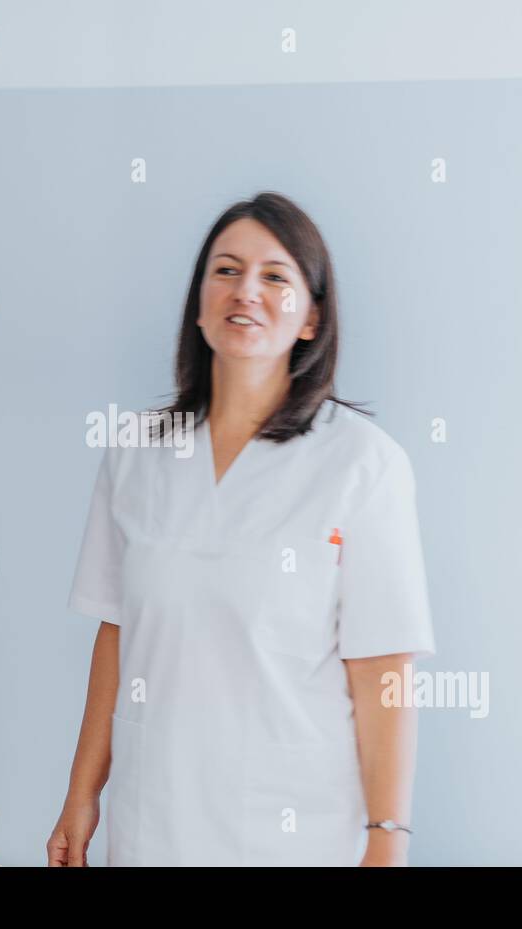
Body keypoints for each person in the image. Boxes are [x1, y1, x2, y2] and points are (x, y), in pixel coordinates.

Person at [48, 192, 437, 866]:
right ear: (199, 304)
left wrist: (387, 841)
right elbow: (116, 635)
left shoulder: (362, 465)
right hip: (152, 823)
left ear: (312, 317)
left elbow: (383, 673)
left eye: (275, 276)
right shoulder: (137, 451)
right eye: (225, 271)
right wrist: (81, 797)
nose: (246, 290)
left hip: (292, 829)